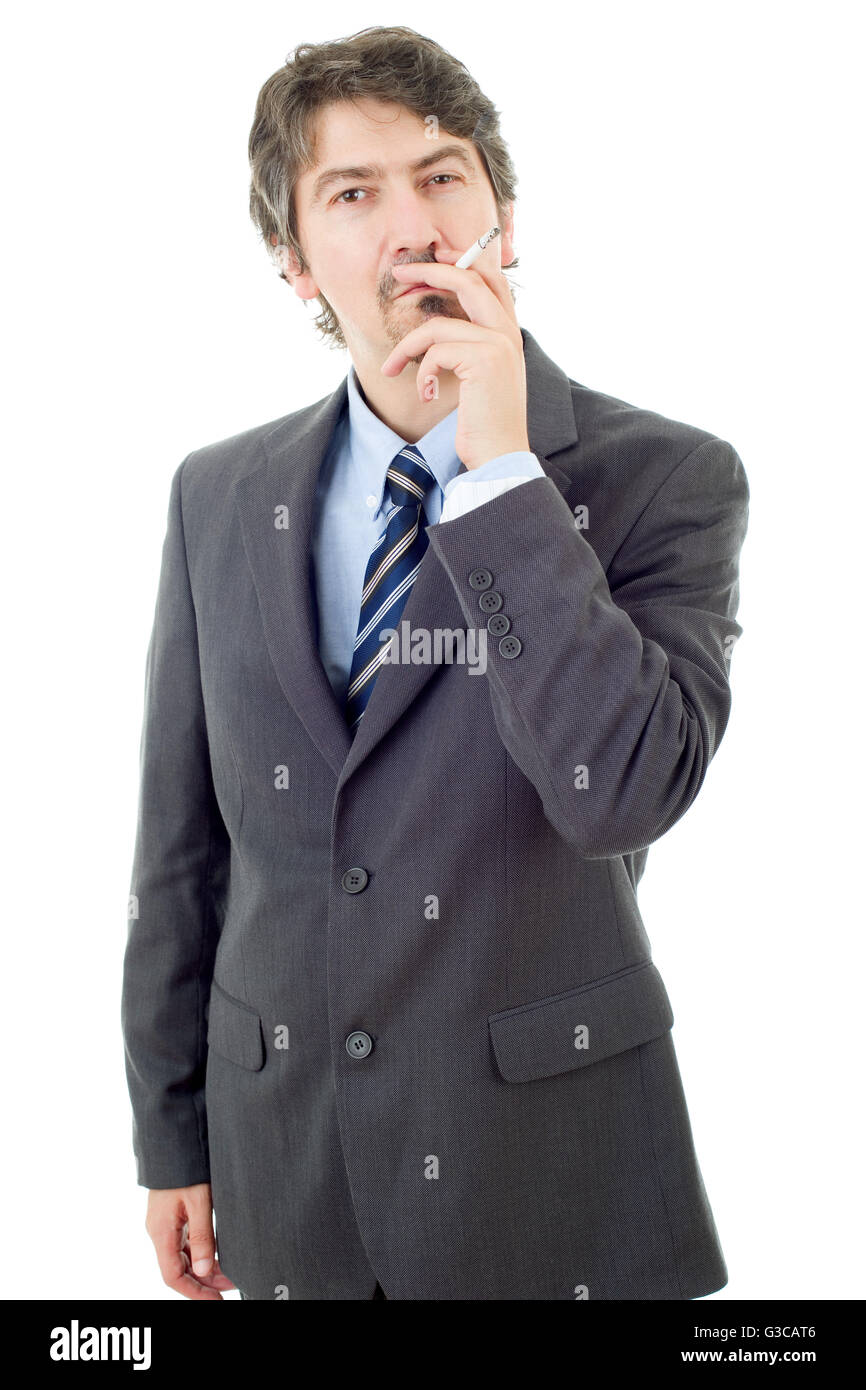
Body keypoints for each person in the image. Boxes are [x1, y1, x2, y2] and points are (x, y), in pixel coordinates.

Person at [121, 25, 749, 1301]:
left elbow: (620, 790)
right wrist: (170, 1128)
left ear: (501, 224)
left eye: (443, 174)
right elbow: (183, 844)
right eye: (352, 193)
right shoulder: (219, 496)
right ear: (295, 263)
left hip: (547, 1174)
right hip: (284, 1157)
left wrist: (503, 473)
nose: (410, 223)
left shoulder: (667, 479)